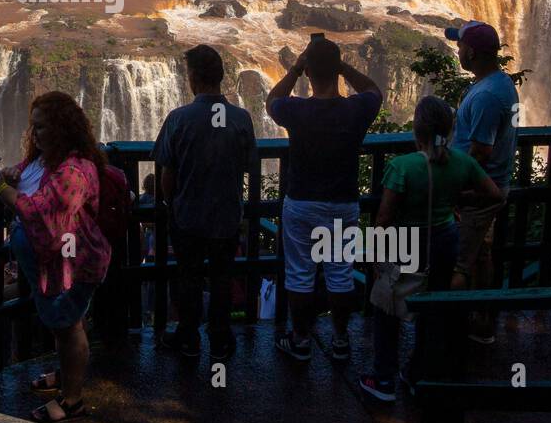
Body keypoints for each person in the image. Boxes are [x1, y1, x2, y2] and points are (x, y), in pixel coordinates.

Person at [359, 96, 502, 401]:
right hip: (445, 237)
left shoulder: (403, 166)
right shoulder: (462, 162)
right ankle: (418, 374)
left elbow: (384, 217)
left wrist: (373, 252)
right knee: (433, 307)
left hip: (407, 240)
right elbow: (494, 195)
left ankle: (383, 379)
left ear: (416, 130)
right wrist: (457, 201)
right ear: (450, 130)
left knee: (389, 306)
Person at [0, 91, 112, 423]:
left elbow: (40, 211)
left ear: (61, 127)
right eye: (33, 127)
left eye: (42, 127)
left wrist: (0, 191)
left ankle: (73, 400)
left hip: (74, 265)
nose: (35, 133)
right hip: (50, 267)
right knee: (62, 324)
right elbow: (28, 178)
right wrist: (11, 175)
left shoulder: (74, 170)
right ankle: (65, 372)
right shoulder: (43, 159)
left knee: (69, 327)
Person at [265, 35, 382, 362]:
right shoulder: (357, 109)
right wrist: (342, 66)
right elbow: (374, 91)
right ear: (337, 71)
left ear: (309, 72)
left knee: (300, 272)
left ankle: (300, 341)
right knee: (340, 272)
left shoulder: (295, 110)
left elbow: (272, 100)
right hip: (342, 203)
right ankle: (341, 339)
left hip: (301, 201)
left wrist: (295, 68)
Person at [154, 45, 256, 360]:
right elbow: (250, 165)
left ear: (194, 78)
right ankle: (221, 339)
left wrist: (171, 204)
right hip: (226, 215)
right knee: (223, 278)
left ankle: (188, 337)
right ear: (221, 76)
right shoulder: (241, 118)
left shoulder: (178, 119)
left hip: (188, 216)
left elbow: (167, 172)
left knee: (189, 278)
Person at [446, 20, 518, 344]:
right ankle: (483, 324)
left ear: (471, 52)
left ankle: (451, 332)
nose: (457, 51)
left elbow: (480, 153)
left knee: (458, 263)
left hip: (476, 194)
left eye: (459, 46)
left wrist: (456, 191)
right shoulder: (499, 83)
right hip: (489, 190)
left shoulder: (488, 96)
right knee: (482, 255)